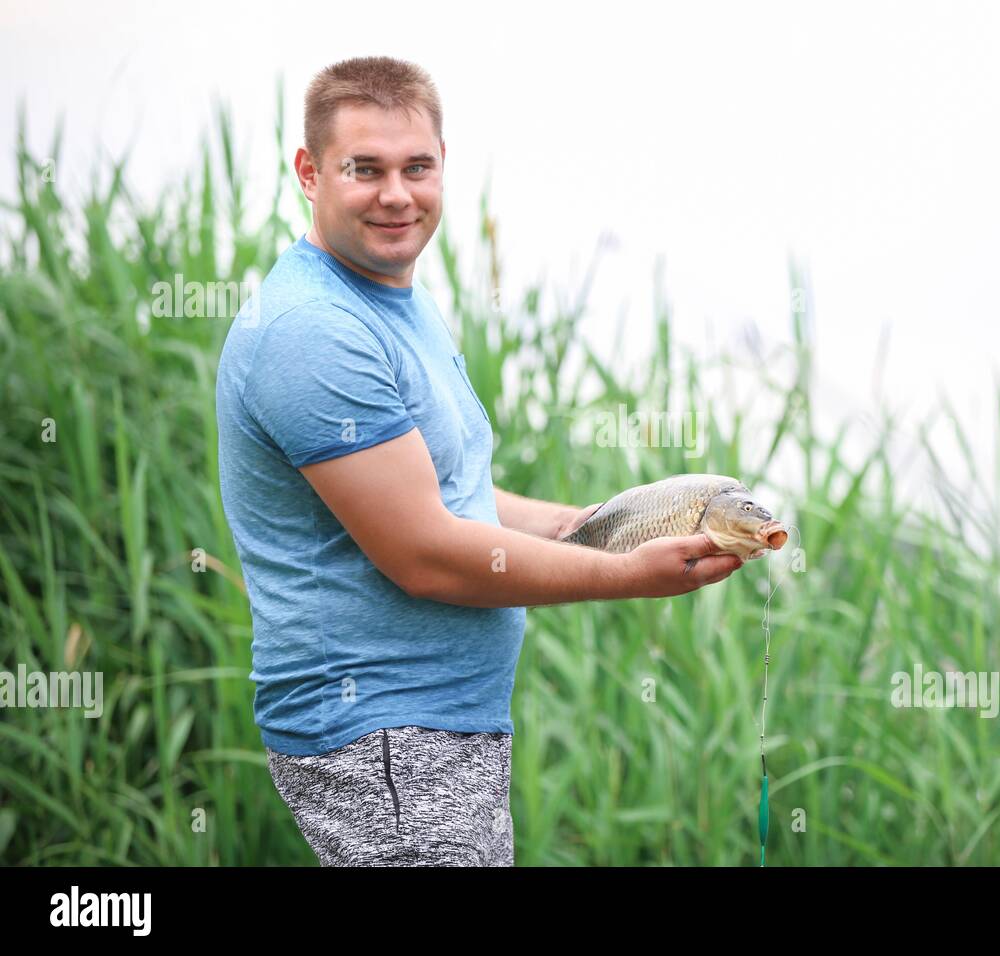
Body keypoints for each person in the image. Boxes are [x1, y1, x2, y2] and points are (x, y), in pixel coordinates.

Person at [214, 55, 742, 866]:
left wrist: (590, 525)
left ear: (442, 167)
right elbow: (423, 554)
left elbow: (442, 488)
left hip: (439, 728)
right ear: (310, 173)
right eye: (366, 169)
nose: (397, 194)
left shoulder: (392, 296)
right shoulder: (312, 330)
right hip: (384, 737)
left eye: (416, 167)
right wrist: (629, 576)